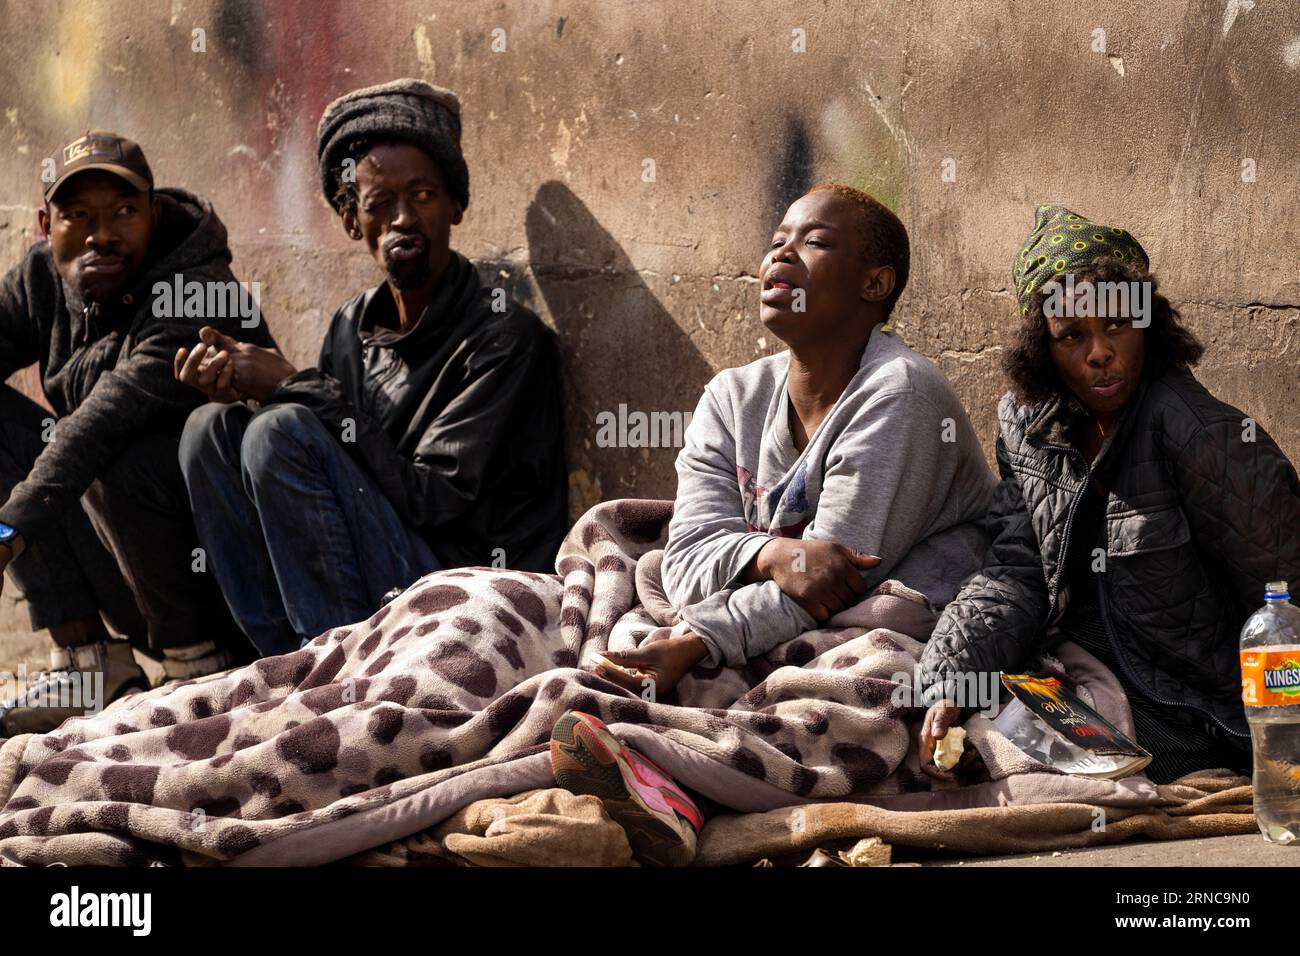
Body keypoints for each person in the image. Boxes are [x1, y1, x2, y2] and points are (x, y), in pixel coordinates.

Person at [553, 184, 997, 862]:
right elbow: (687, 564)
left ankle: (670, 783)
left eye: (813, 242)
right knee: (586, 636)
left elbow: (840, 586)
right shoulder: (731, 397)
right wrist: (773, 557)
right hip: (762, 617)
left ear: (875, 283)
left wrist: (700, 640)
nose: (781, 254)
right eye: (775, 242)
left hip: (884, 621)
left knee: (866, 692)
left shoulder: (901, 394)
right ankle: (647, 762)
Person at [176, 80, 567, 657]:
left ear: (456, 205)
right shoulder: (352, 327)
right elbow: (331, 464)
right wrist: (247, 385)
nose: (403, 218)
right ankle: (286, 661)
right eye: (380, 204)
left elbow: (434, 502)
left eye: (424, 196)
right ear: (351, 221)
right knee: (209, 430)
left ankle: (336, 670)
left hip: (463, 594)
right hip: (382, 570)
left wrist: (290, 388)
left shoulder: (503, 338)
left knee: (278, 432)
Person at [918, 205, 1300, 785]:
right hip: (1067, 657)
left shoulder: (1207, 438)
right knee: (911, 707)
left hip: (1183, 703)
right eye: (1072, 335)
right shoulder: (1027, 424)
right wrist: (951, 682)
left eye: (1116, 325)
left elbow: (1284, 603)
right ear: (1042, 349)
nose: (1099, 352)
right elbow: (1015, 570)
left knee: (1014, 766)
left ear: (1148, 325)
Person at [0, 131, 276, 734]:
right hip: (126, 556)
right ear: (47, 224)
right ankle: (90, 664)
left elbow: (103, 421)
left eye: (124, 213)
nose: (102, 234)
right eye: (79, 216)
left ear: (153, 214)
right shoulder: (43, 278)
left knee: (110, 446)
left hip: (225, 582)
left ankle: (194, 668)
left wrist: (5, 532)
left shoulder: (193, 286)